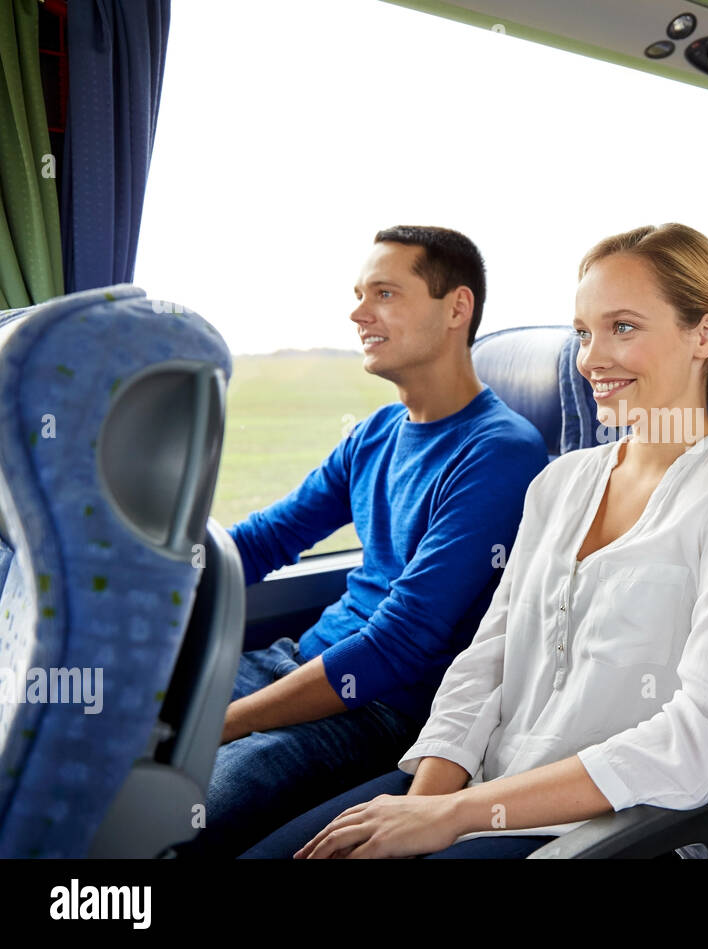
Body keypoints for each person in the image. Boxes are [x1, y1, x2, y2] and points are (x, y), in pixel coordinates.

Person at [242, 222, 708, 859]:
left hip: (598, 825)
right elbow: (485, 665)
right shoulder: (560, 482)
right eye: (584, 333)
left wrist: (455, 817)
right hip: (472, 787)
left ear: (703, 335)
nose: (590, 358)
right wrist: (424, 807)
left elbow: (704, 738)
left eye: (623, 327)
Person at [177, 226, 549, 858]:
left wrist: (220, 723)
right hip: (298, 662)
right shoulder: (375, 433)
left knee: (171, 819)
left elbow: (400, 646)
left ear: (457, 308)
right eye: (358, 294)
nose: (358, 312)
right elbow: (268, 539)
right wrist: (144, 588)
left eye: (384, 292)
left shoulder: (499, 453)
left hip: (380, 708)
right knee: (93, 745)